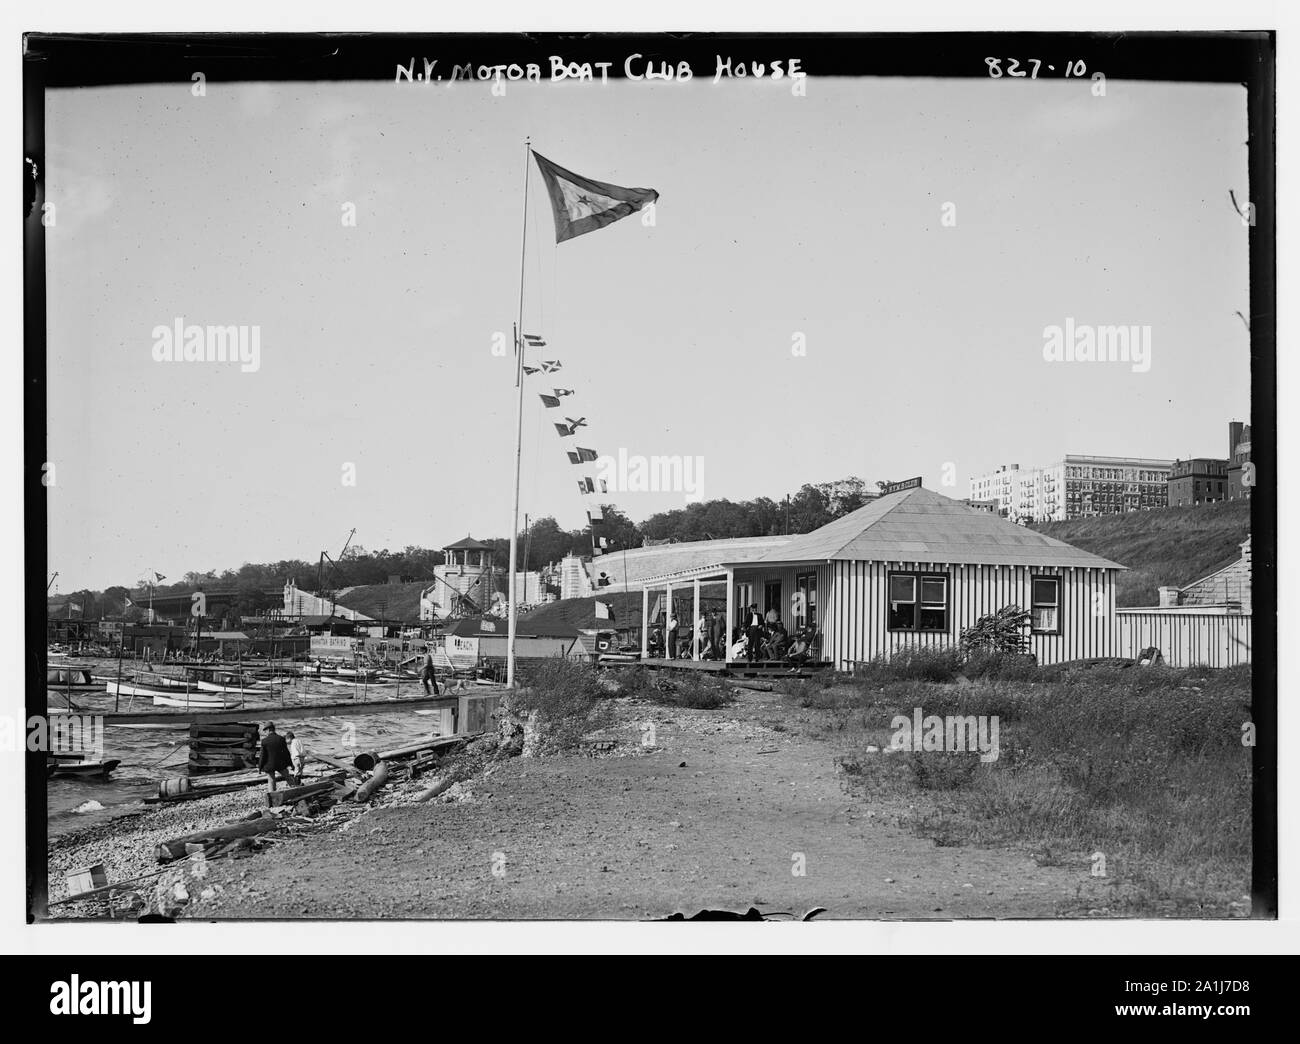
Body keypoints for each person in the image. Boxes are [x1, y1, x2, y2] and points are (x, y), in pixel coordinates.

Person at [258, 722, 295, 792]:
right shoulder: (281, 739)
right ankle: (295, 790)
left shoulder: (264, 741)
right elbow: (286, 753)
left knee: (271, 780)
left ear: (268, 730)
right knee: (288, 777)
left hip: (269, 765)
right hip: (281, 764)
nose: (265, 732)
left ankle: (272, 796)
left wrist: (260, 767)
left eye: (265, 730)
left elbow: (262, 756)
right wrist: (291, 764)